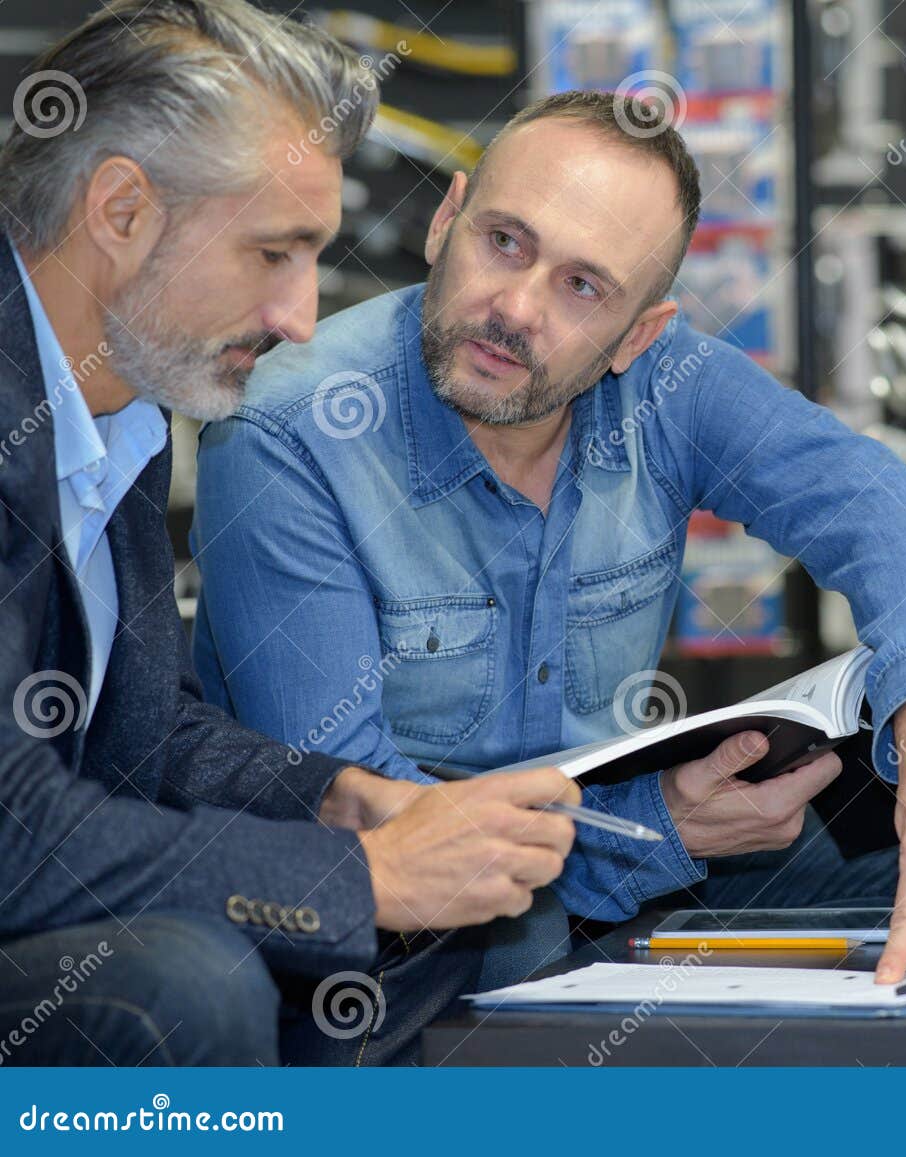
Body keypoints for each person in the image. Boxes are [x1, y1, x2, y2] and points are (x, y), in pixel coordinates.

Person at [191, 90, 906, 986]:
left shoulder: (672, 386)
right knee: (510, 936)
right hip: (394, 912)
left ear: (637, 336)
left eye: (582, 286)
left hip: (600, 855)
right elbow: (355, 808)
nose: (516, 307)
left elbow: (885, 510)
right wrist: (655, 830)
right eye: (505, 241)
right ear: (447, 221)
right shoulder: (287, 431)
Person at [0, 0, 580, 1066]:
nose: (301, 317)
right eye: (274, 252)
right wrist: (363, 878)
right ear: (121, 211)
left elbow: (137, 730)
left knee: (466, 929)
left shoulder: (125, 390)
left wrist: (325, 797)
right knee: (185, 983)